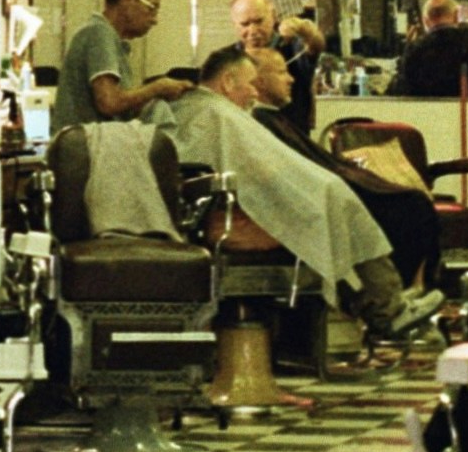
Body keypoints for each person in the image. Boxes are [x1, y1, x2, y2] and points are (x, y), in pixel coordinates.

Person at [169, 49, 442, 339]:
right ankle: (387, 309)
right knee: (336, 206)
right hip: (227, 217)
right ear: (227, 81)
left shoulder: (197, 110)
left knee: (336, 205)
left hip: (222, 209)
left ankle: (384, 304)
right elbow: (260, 168)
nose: (253, 93)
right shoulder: (217, 115)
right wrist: (305, 186)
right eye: (250, 84)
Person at [247, 46, 444, 295]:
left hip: (333, 187)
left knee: (411, 202)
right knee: (410, 206)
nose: (291, 79)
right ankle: (398, 295)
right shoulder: (261, 121)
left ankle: (410, 291)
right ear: (261, 81)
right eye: (282, 72)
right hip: (322, 196)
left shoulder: (274, 118)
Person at [51, 0, 194, 133]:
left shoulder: (112, 40)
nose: (155, 20)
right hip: (85, 149)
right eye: (152, 8)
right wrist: (157, 88)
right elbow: (109, 102)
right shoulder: (99, 33)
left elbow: (121, 106)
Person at [231, 0, 323, 132]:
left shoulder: (292, 47)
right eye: (245, 24)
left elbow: (316, 45)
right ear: (235, 25)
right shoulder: (230, 59)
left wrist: (303, 27)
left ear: (273, 17)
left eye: (259, 21)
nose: (253, 31)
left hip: (290, 137)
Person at [394, 0, 468, 99]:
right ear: (457, 15)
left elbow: (403, 88)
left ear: (425, 21)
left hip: (424, 112)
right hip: (465, 111)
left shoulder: (414, 49)